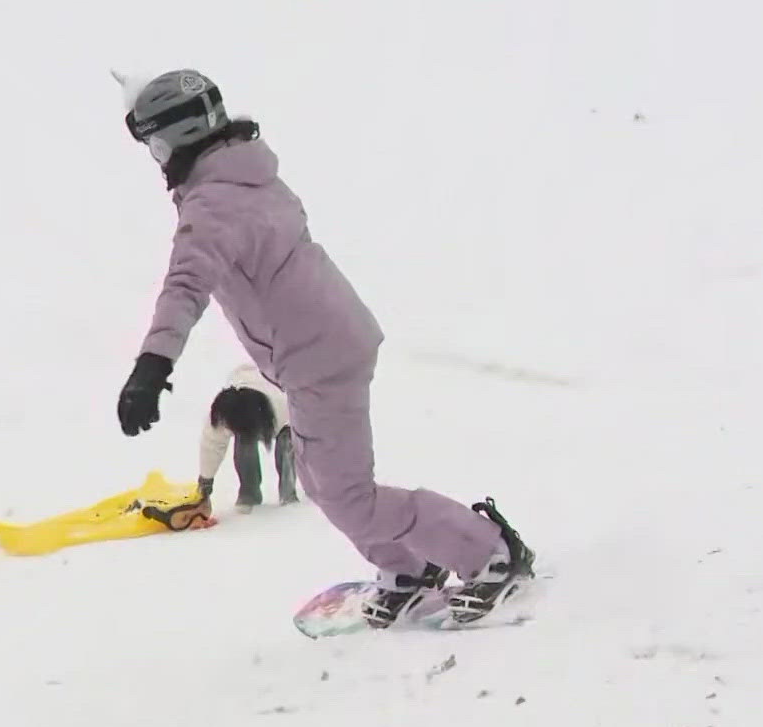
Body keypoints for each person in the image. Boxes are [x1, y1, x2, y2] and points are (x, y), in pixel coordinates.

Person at [112, 69, 535, 628]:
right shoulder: (246, 176)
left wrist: (153, 364)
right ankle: (407, 569)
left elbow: (186, 286)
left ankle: (488, 553)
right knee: (326, 485)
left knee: (348, 495)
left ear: (176, 138)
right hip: (319, 345)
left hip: (320, 353)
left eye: (156, 145)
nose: (157, 159)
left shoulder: (214, 204)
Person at [197, 363, 298, 513]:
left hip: (279, 407)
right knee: (244, 442)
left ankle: (288, 494)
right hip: (249, 395)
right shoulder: (223, 413)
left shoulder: (283, 405)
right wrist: (206, 480)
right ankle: (249, 493)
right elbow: (212, 445)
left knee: (288, 442)